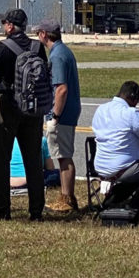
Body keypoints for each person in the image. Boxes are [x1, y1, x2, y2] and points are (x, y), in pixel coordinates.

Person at [0, 7, 46, 220]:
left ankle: (2, 210)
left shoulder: (0, 48)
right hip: (33, 107)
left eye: (4, 23)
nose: (3, 26)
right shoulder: (37, 47)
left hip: (6, 104)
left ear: (10, 26)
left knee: (1, 159)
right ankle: (36, 210)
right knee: (33, 159)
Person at [35, 19, 81, 213]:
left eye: (38, 33)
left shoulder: (58, 56)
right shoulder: (62, 51)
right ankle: (66, 195)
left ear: (44, 34)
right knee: (62, 155)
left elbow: (61, 89)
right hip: (68, 111)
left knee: (63, 157)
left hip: (62, 113)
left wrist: (54, 115)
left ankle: (67, 197)